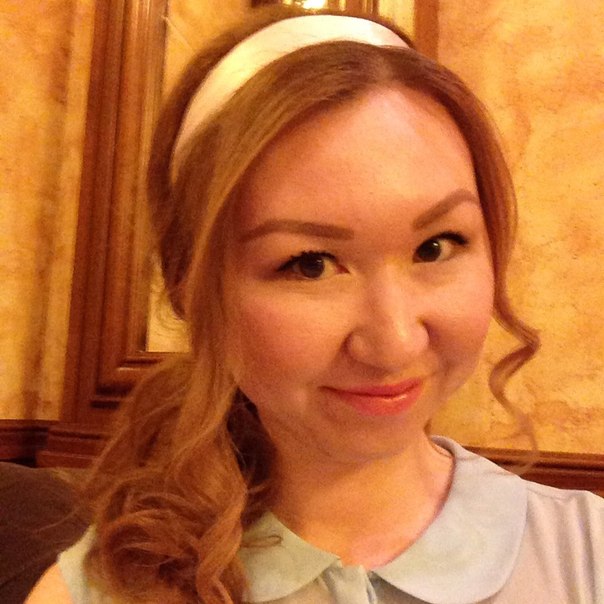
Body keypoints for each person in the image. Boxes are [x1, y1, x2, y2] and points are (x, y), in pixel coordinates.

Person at [27, 5, 603, 604]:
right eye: (310, 264)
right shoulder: (95, 592)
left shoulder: (588, 555)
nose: (395, 341)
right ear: (189, 287)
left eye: (435, 246)